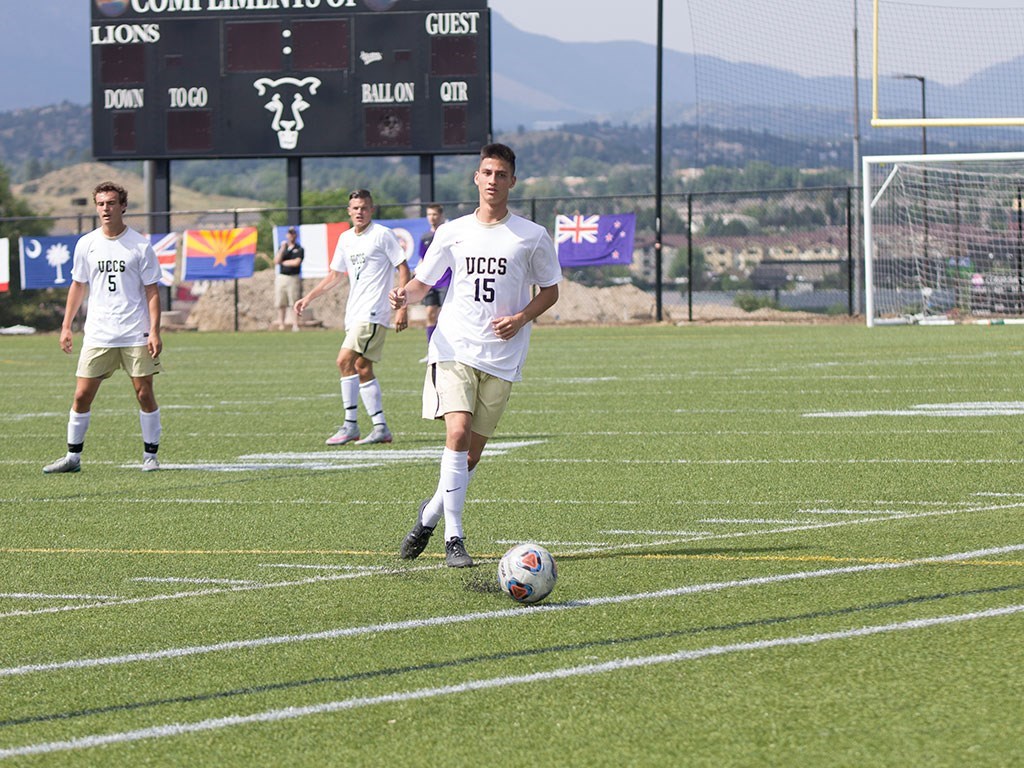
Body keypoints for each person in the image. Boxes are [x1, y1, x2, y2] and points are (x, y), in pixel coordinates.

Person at [389, 143, 562, 567]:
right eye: (486, 172)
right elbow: (423, 283)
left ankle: (429, 516)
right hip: (454, 345)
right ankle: (454, 538)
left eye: (501, 174)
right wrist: (403, 297)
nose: (492, 180)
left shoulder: (532, 235)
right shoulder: (453, 231)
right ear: (476, 178)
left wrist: (521, 318)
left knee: (471, 455)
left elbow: (552, 291)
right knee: (457, 432)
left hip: (502, 356)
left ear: (512, 182)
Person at [43, 180, 164, 474]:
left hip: (135, 331)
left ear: (123, 206)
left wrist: (156, 330)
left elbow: (152, 290)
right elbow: (77, 284)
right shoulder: (87, 244)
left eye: (111, 203)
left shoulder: (139, 244)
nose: (106, 209)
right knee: (82, 395)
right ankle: (72, 457)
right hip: (98, 333)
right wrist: (66, 326)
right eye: (101, 204)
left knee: (144, 393)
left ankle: (150, 456)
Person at [295, 189, 410, 446]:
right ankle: (380, 427)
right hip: (354, 313)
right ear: (349, 211)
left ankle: (350, 426)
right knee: (361, 367)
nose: (360, 212)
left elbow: (403, 267)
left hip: (372, 312)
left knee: (343, 361)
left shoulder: (381, 235)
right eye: (355, 208)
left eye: (364, 207)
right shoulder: (346, 239)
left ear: (372, 209)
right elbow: (335, 275)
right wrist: (309, 297)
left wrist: (402, 307)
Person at [418, 203, 449, 363]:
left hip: (446, 281)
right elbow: (423, 259)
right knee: (430, 314)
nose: (432, 217)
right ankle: (431, 351)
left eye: (435, 214)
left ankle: (448, 350)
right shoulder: (425, 238)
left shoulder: (448, 235)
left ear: (441, 216)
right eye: (429, 214)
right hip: (430, 283)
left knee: (446, 317)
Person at [274, 226, 304, 331]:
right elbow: (277, 261)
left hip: (293, 277)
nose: (291, 235)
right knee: (281, 301)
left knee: (294, 301)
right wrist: (282, 249)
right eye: (289, 233)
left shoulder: (299, 249)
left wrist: (284, 262)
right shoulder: (283, 248)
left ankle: (295, 324)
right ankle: (281, 324)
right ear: (287, 235)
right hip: (282, 277)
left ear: (296, 235)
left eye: (293, 233)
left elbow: (296, 263)